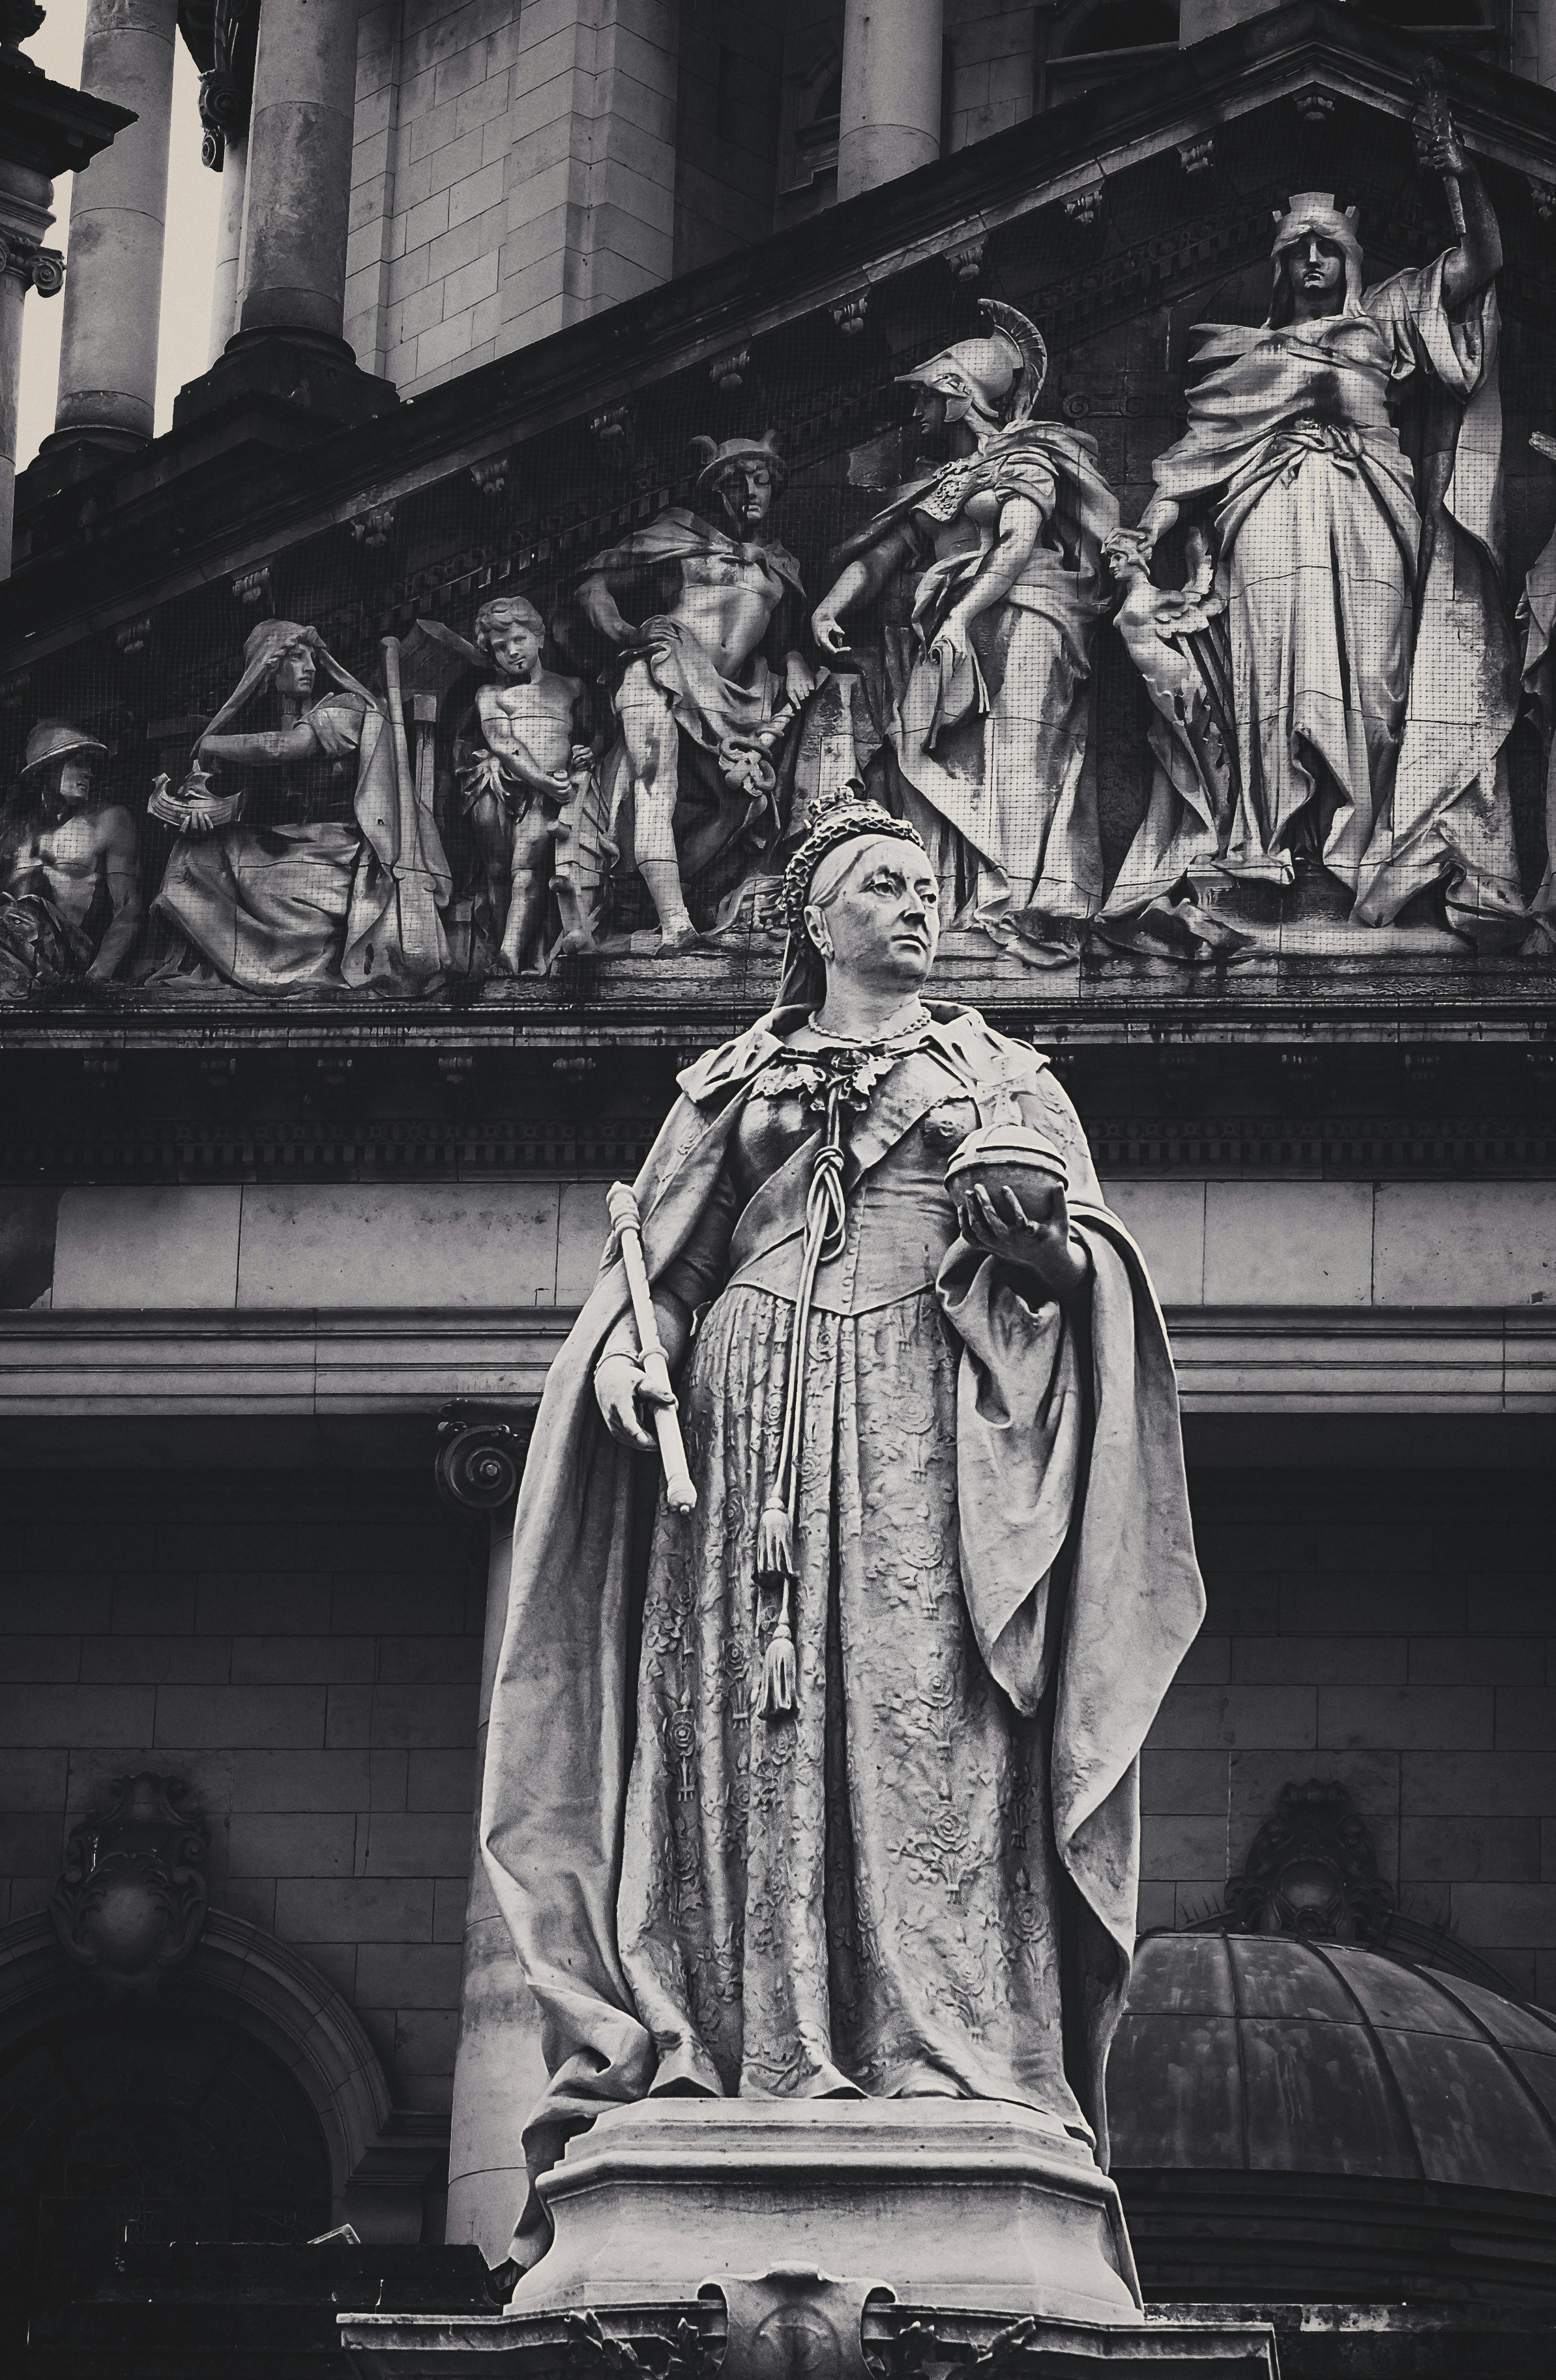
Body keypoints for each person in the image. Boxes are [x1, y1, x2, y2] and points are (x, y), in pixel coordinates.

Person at [482, 785, 1205, 2274]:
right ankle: (749, 2048)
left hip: (922, 1411)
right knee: (745, 1719)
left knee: (924, 1714)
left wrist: (1041, 1240)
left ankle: (952, 2056)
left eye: (925, 884)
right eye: (880, 882)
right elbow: (659, 1269)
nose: (913, 903)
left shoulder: (1003, 1072)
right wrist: (629, 1350)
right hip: (747, 1403)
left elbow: (1076, 1258)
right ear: (812, 920)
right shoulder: (727, 1079)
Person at [1104, 92, 1527, 956]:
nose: (1310, 263)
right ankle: (1274, 848)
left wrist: (1459, 177)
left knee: (1375, 684)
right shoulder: (1242, 358)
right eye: (1294, 250)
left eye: (1327, 248)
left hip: (1373, 512)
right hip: (1264, 512)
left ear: (1353, 259)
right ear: (1274, 264)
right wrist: (1146, 532)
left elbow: (1483, 259)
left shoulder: (1390, 318)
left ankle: (1366, 850)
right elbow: (1197, 457)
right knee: (1276, 683)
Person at [809, 302, 1119, 959]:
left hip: (1030, 616)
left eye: (925, 396)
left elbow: (1014, 545)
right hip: (953, 625)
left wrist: (960, 613)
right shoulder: (936, 482)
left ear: (957, 396)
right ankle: (955, 901)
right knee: (912, 748)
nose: (916, 411)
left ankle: (1024, 902)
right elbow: (883, 554)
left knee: (1021, 756)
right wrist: (829, 606)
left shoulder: (1028, 459)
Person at [571, 432, 817, 950]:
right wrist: (628, 633)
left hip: (737, 698)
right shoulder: (677, 535)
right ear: (713, 488)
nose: (751, 491)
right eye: (737, 481)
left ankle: (690, 896)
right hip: (663, 668)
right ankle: (674, 922)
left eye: (762, 480)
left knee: (738, 803)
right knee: (654, 781)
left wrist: (794, 662)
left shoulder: (781, 562)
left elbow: (785, 638)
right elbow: (593, 585)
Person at [150, 619, 450, 994]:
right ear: (267, 667)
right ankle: (210, 963)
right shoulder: (264, 724)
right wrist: (205, 815)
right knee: (195, 856)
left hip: (346, 853)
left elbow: (281, 747)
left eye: (313, 657)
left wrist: (210, 743)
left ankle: (279, 968)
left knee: (269, 875)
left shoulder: (347, 707)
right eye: (295, 657)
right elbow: (265, 799)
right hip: (295, 846)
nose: (309, 666)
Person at [459, 596, 593, 974]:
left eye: (519, 640)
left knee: (526, 870)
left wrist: (587, 754)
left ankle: (509, 955)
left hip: (551, 797)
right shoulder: (492, 694)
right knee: (499, 871)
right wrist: (542, 780)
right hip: (503, 791)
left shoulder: (572, 688)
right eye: (501, 648)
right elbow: (502, 742)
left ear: (540, 635)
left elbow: (596, 734)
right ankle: (506, 944)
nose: (512, 653)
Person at [0, 721, 141, 990]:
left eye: (91, 766)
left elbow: (128, 909)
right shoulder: (10, 826)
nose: (89, 773)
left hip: (64, 955)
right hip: (1, 941)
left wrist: (94, 979)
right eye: (78, 763)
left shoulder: (110, 820)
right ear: (47, 770)